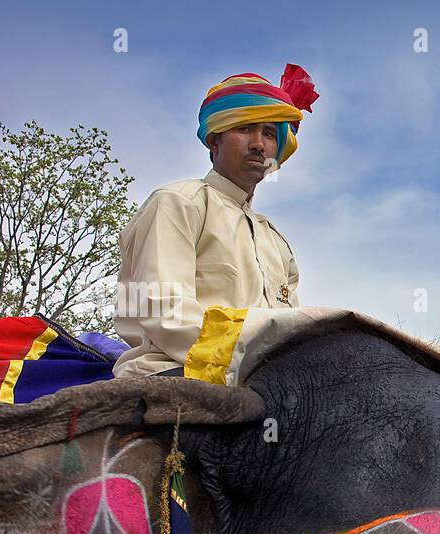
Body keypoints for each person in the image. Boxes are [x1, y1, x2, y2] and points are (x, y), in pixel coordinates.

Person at [113, 66, 320, 378]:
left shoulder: (276, 241)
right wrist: (252, 366)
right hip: (173, 371)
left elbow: (290, 326)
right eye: (244, 129)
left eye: (268, 133)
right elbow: (165, 315)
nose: (258, 144)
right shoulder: (178, 202)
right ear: (214, 142)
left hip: (264, 381)